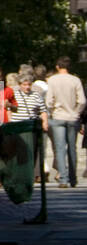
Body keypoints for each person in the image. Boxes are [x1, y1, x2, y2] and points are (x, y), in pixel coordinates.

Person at [44, 56, 86, 187]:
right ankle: (73, 178)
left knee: (60, 148)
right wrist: (76, 111)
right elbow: (83, 101)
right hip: (72, 117)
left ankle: (63, 178)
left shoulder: (52, 80)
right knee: (72, 149)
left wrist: (52, 111)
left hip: (58, 116)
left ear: (57, 66)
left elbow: (49, 100)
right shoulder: (75, 80)